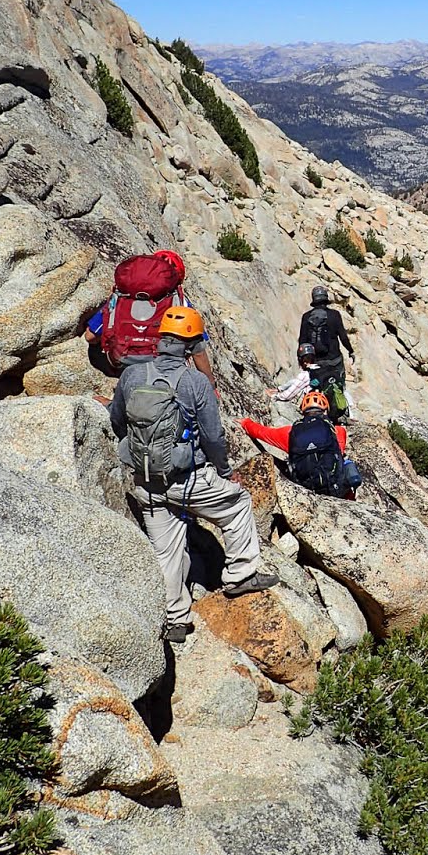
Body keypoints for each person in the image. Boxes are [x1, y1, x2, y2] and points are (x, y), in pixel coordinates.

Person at [108, 304, 277, 642]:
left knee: (166, 551)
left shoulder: (131, 375)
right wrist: (226, 471)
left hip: (146, 481)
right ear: (192, 344)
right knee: (238, 504)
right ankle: (240, 574)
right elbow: (213, 436)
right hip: (187, 479)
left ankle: (175, 620)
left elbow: (117, 421)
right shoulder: (194, 382)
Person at [86, 249, 216, 386]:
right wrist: (211, 384)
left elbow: (90, 336)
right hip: (163, 367)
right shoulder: (180, 301)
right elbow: (198, 349)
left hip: (122, 363)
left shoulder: (123, 297)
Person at [297, 285, 354, 416]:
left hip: (316, 361)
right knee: (338, 386)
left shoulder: (306, 317)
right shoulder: (334, 315)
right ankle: (341, 413)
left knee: (316, 387)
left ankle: (316, 412)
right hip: (335, 361)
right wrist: (351, 350)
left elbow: (302, 340)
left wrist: (303, 361)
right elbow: (343, 336)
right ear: (325, 298)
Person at [268, 341, 348, 422]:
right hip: (329, 408)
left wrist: (275, 396)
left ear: (300, 360)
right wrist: (279, 388)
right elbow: (295, 381)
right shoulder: (323, 369)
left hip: (314, 410)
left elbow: (288, 395)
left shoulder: (306, 374)